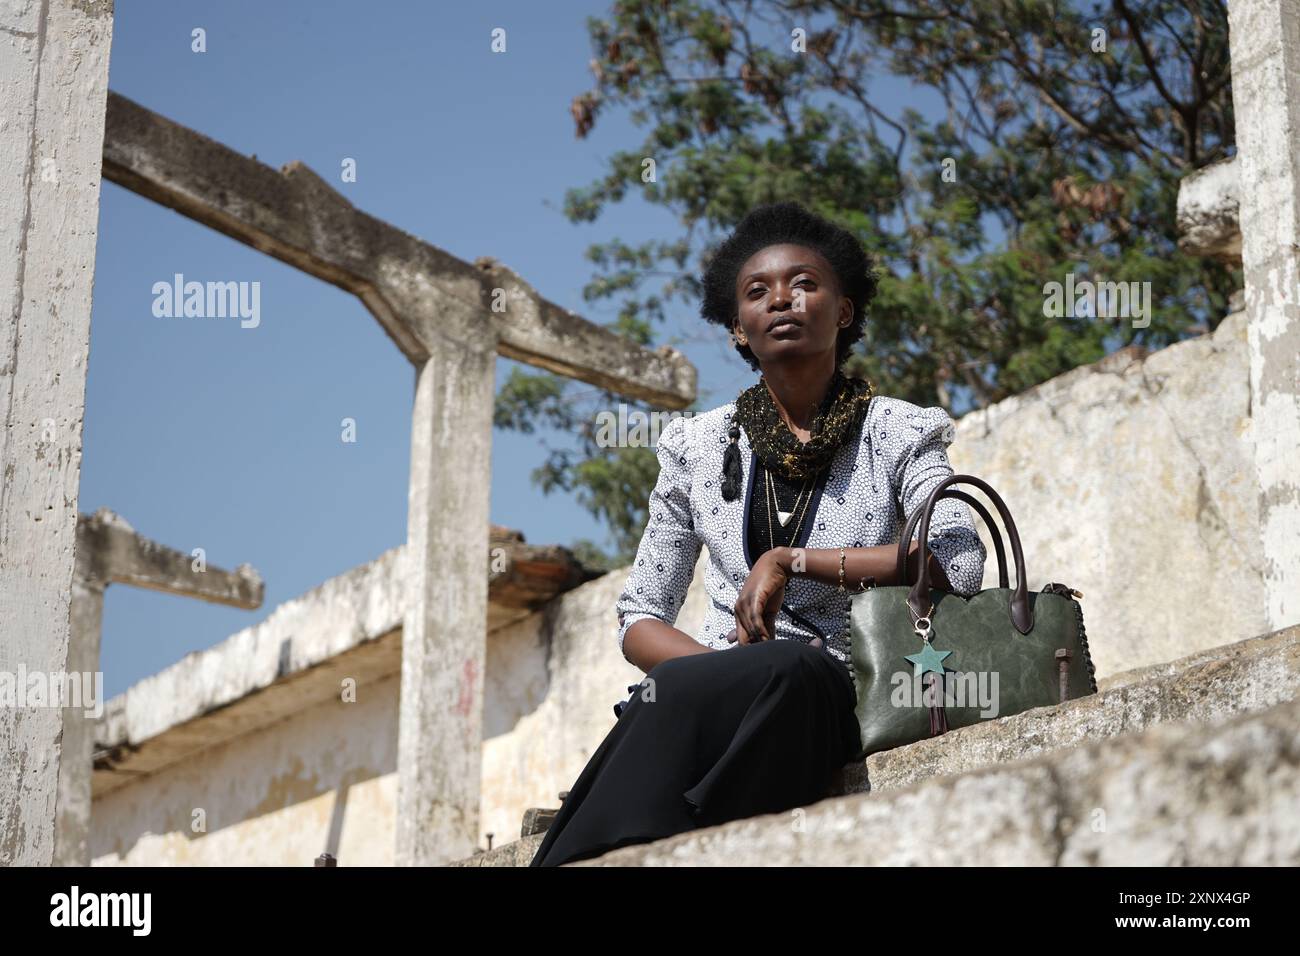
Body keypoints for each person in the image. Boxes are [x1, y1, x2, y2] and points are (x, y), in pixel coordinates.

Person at [529, 201, 987, 867]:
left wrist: (794, 559)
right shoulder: (696, 444)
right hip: (718, 693)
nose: (782, 300)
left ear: (845, 310)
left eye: (804, 283)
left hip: (846, 688)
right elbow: (638, 618)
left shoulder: (899, 429)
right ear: (739, 330)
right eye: (757, 292)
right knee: (686, 689)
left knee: (791, 666)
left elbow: (959, 562)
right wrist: (724, 675)